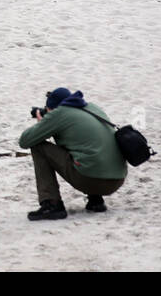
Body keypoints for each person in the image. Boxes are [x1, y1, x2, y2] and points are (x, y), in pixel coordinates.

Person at [19, 87, 126, 220]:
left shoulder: (59, 114)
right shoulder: (92, 108)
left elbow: (25, 141)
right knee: (84, 147)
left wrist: (42, 125)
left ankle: (52, 204)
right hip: (117, 180)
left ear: (52, 108)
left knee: (38, 146)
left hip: (90, 180)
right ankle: (96, 200)